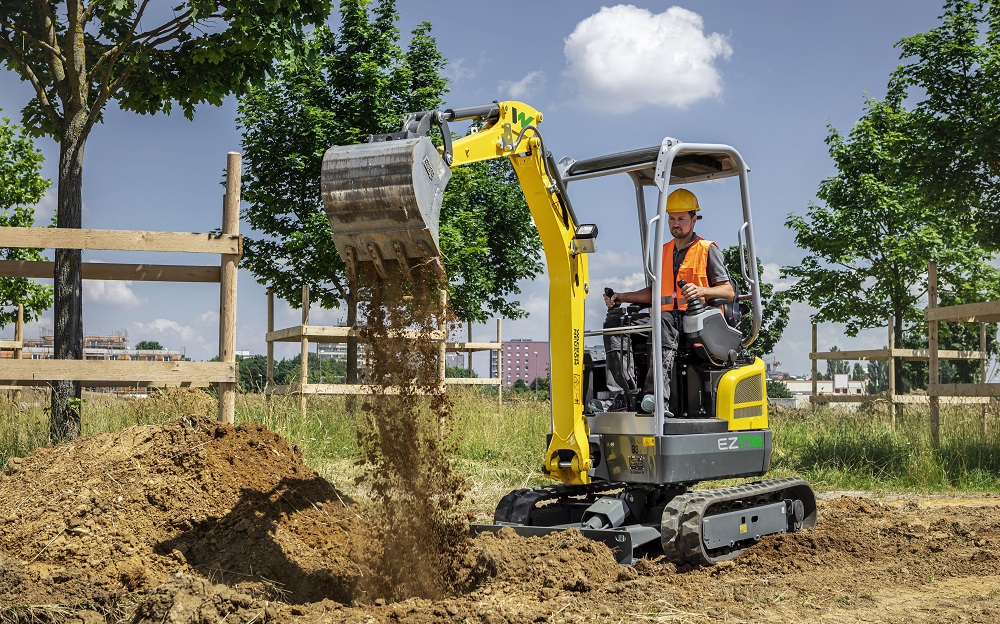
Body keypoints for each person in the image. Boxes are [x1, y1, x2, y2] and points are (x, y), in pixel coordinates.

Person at [602, 188, 735, 415]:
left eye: (681, 219)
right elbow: (656, 292)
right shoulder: (664, 251)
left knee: (661, 321)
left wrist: (701, 290)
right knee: (616, 324)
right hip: (665, 319)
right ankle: (621, 396)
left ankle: (655, 398)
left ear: (694, 219)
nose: (675, 224)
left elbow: (728, 291)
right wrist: (622, 297)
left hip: (697, 320)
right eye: (671, 219)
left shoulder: (707, 249)